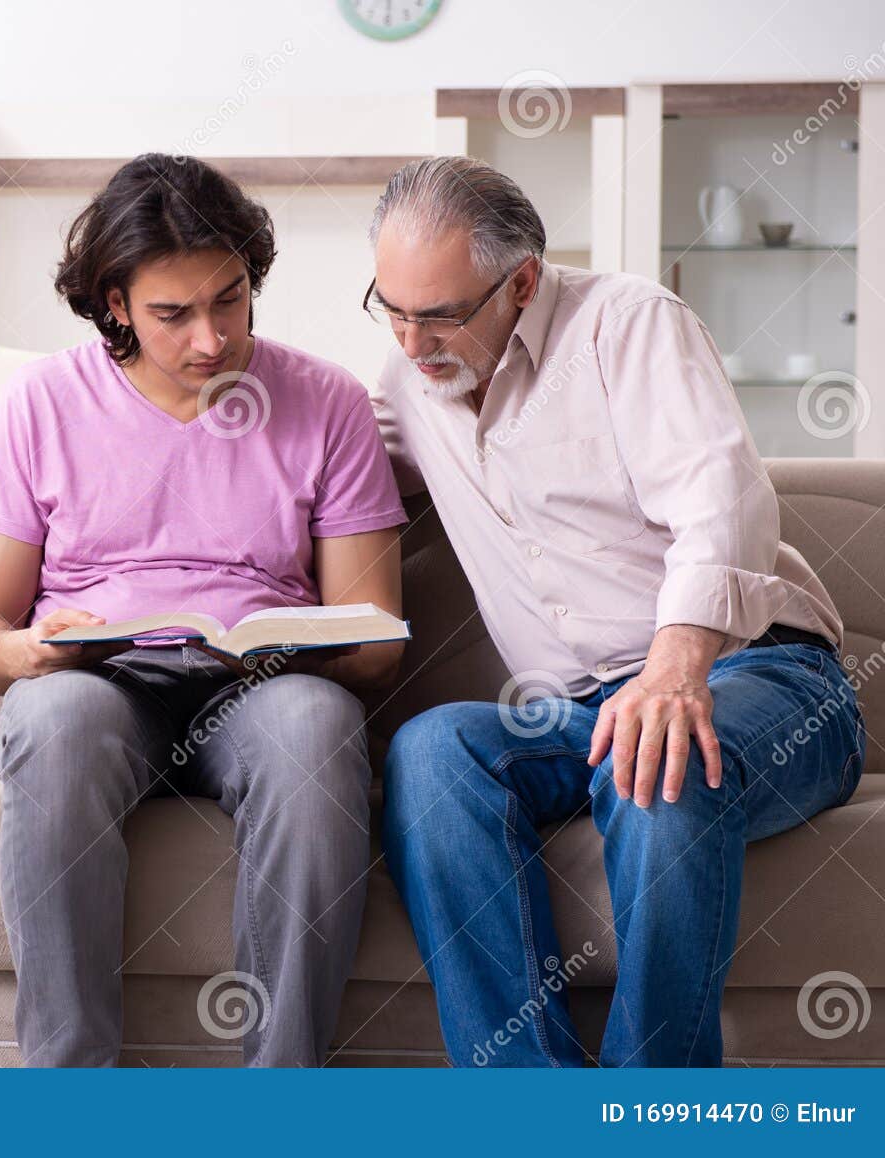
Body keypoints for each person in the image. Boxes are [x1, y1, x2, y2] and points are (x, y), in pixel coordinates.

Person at [365, 155, 865, 1067]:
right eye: (389, 308)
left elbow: (723, 505)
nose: (410, 340)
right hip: (575, 710)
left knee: (661, 762)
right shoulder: (413, 382)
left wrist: (675, 670)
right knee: (431, 752)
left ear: (521, 282)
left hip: (755, 672)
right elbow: (319, 469)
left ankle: (649, 1111)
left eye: (437, 315)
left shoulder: (627, 325)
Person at [0, 153, 408, 1065]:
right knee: (53, 719)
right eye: (173, 314)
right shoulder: (41, 402)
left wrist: (294, 650)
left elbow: (377, 641)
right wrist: (30, 652)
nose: (211, 340)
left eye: (230, 300)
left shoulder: (327, 402)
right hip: (101, 683)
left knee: (317, 724)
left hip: (266, 688)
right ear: (114, 303)